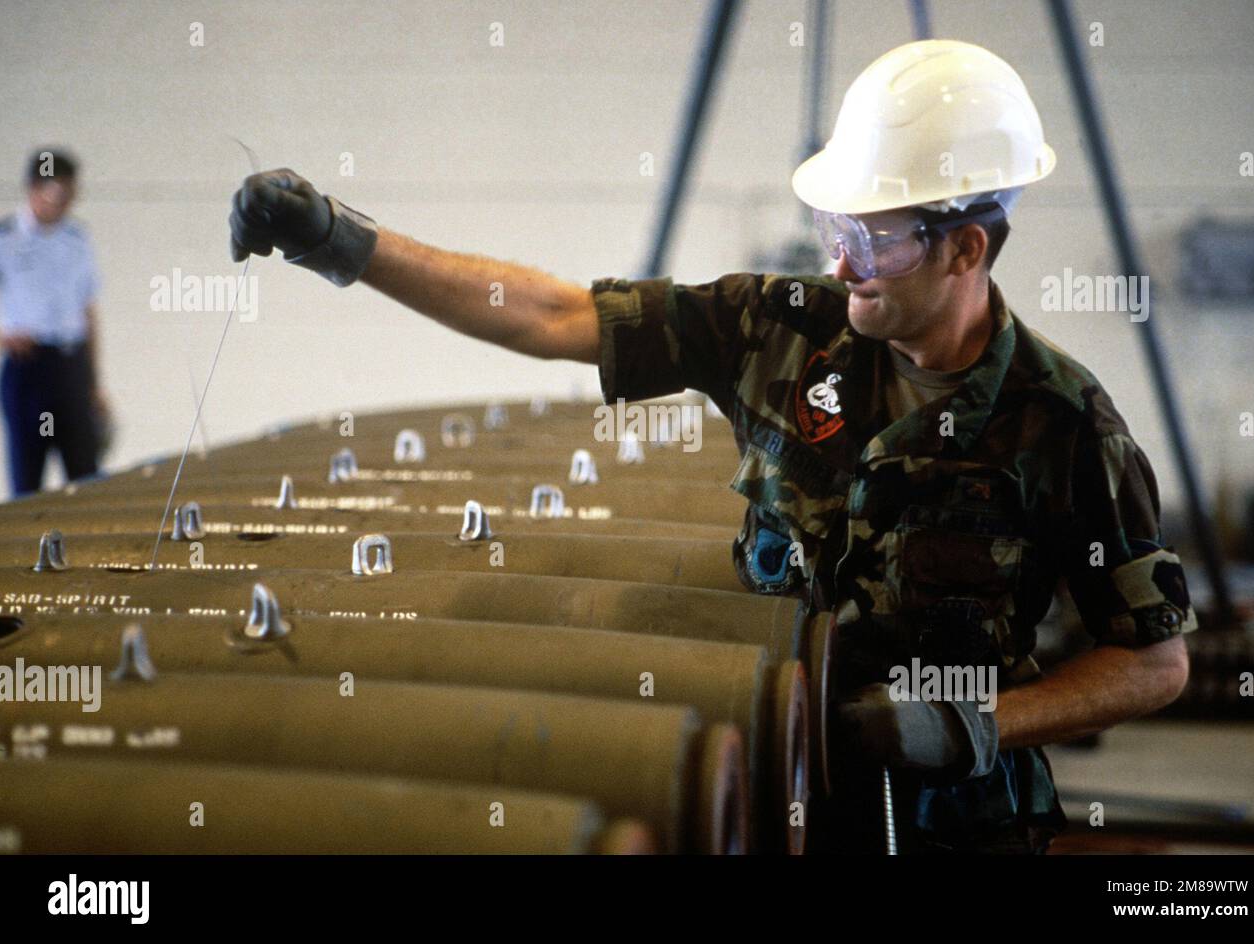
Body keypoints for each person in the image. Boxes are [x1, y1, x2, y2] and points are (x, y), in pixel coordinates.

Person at [227, 39, 1195, 854]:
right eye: (831, 225)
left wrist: (972, 726)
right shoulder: (776, 327)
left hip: (958, 823)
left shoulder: (1062, 423)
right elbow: (550, 313)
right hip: (770, 789)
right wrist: (341, 244)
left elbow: (1152, 663)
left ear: (965, 250)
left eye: (871, 236)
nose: (837, 261)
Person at [0, 148, 109, 497]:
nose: (64, 204)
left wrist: (93, 383)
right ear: (34, 189)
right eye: (57, 194)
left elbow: (87, 311)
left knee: (85, 474)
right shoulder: (5, 239)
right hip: (29, 366)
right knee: (29, 479)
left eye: (70, 195)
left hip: (70, 366)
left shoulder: (76, 239)